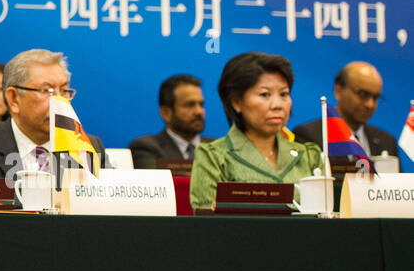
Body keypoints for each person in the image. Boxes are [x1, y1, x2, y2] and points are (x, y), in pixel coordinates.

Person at [190, 52, 324, 212]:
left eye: (284, 94)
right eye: (265, 94)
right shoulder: (214, 157)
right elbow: (208, 224)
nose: (277, 105)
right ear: (236, 102)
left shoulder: (310, 156)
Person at [0, 50, 106, 178]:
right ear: (13, 99)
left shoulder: (87, 147)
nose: (59, 101)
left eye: (64, 91)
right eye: (46, 91)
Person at [290, 62, 398, 158]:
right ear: (339, 90)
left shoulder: (387, 141)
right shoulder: (310, 136)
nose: (370, 104)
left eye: (375, 97)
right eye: (363, 94)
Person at [128, 74, 215, 168]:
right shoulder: (146, 148)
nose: (199, 111)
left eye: (201, 105)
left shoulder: (216, 148)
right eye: (190, 105)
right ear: (166, 113)